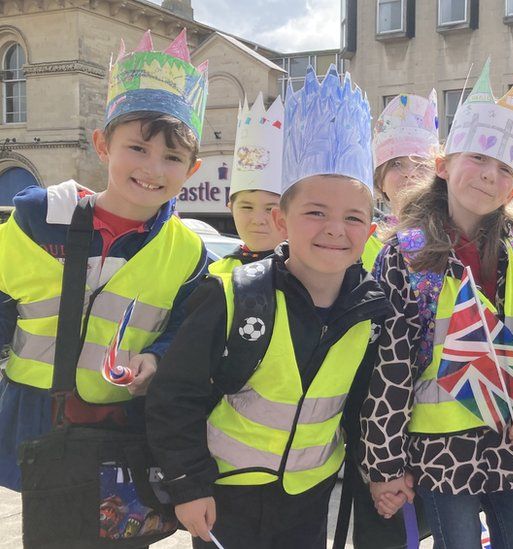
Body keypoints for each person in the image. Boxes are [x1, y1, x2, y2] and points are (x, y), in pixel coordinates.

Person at [146, 65, 392, 549]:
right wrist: (187, 486)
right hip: (226, 495)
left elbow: (363, 408)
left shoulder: (371, 313)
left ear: (369, 229)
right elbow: (175, 398)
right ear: (282, 220)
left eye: (353, 218)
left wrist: (383, 473)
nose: (334, 229)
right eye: (315, 212)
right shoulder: (233, 296)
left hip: (308, 496)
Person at [361, 60, 513, 549]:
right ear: (443, 165)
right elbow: (389, 365)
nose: (488, 175)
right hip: (440, 455)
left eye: (504, 168)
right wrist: (383, 466)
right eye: (477, 159)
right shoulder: (405, 253)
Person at [0, 28, 209, 491]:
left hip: (121, 425)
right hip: (34, 419)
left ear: (192, 169)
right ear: (102, 145)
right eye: (137, 148)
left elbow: (186, 330)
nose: (152, 169)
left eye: (172, 157)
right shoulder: (39, 217)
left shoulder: (190, 253)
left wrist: (157, 358)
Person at [209, 93, 286, 274]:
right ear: (230, 207)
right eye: (246, 207)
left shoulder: (309, 273)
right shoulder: (215, 273)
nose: (258, 220)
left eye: (270, 209)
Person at [363, 91, 439, 271]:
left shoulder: (452, 236)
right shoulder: (362, 241)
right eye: (396, 164)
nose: (410, 174)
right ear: (380, 181)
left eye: (420, 165)